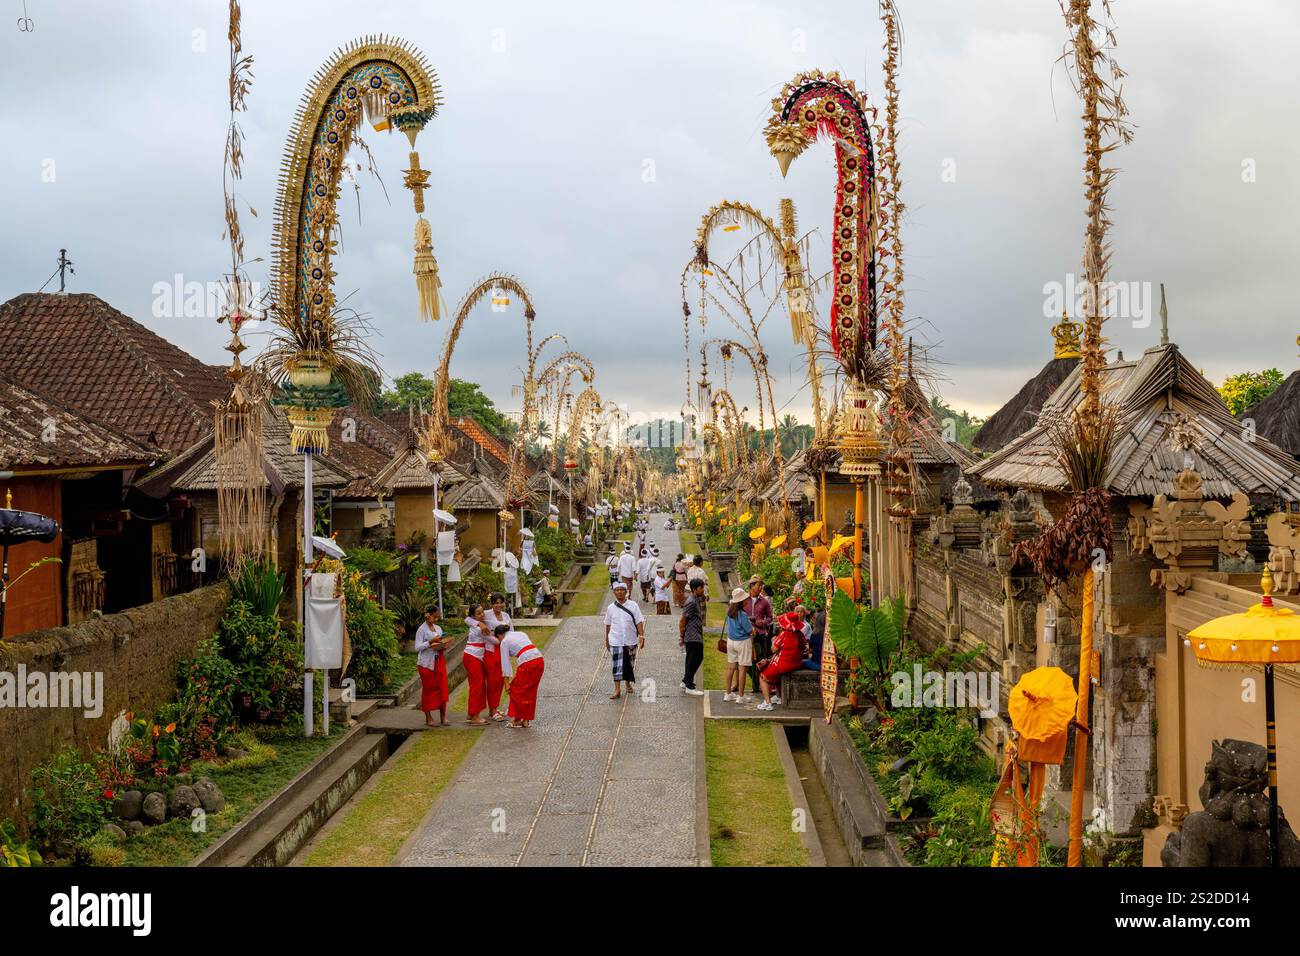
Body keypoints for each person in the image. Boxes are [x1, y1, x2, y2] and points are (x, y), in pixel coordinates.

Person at [757, 610, 810, 711]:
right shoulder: (800, 634)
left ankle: (768, 703)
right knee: (777, 673)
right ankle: (778, 696)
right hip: (796, 663)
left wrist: (773, 642)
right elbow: (805, 648)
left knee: (762, 677)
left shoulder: (784, 634)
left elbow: (774, 649)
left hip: (784, 664)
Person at [496, 625, 545, 728]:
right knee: (531, 691)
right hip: (539, 660)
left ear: (500, 635)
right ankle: (526, 721)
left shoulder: (504, 641)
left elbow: (505, 664)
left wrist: (506, 684)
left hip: (528, 663)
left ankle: (517, 720)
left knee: (516, 690)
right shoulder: (521, 633)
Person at [604, 581, 645, 699]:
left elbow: (639, 621)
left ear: (626, 592)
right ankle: (617, 690)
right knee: (616, 666)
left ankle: (627, 683)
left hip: (630, 640)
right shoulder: (610, 608)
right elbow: (607, 625)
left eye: (622, 590)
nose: (619, 592)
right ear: (614, 592)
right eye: (617, 590)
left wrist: (642, 637)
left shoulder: (633, 606)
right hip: (615, 640)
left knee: (629, 664)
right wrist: (606, 639)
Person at [462, 603, 498, 725]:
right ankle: (475, 716)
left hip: (475, 657)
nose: (482, 614)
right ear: (473, 615)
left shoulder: (479, 624)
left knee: (477, 685)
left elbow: (467, 619)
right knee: (477, 685)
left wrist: (479, 622)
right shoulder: (479, 629)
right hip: (473, 657)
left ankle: (471, 713)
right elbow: (494, 641)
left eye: (482, 612)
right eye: (478, 613)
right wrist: (505, 639)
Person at [415, 606, 451, 726]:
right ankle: (428, 717)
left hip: (438, 660)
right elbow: (417, 647)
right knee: (429, 689)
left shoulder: (438, 628)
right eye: (434, 616)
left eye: (437, 617)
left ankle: (443, 715)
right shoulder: (421, 630)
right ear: (427, 615)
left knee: (442, 687)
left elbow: (440, 642)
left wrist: (444, 644)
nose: (435, 619)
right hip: (426, 664)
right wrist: (430, 642)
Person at [482, 593, 512, 721]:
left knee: (501, 679)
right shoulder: (486, 614)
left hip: (503, 650)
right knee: (493, 680)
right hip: (491, 651)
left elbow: (511, 632)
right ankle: (492, 709)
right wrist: (497, 641)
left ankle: (495, 707)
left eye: (501, 602)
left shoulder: (506, 616)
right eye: (496, 603)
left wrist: (507, 644)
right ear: (491, 604)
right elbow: (482, 632)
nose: (498, 605)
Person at [723, 587, 754, 703]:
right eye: (745, 599)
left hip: (731, 641)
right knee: (742, 669)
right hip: (743, 642)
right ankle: (741, 696)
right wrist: (753, 630)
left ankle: (728, 693)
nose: (747, 601)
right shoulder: (742, 614)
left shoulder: (729, 611)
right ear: (741, 601)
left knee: (730, 667)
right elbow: (749, 630)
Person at [743, 576, 773, 688]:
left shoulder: (764, 602)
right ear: (751, 586)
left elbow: (770, 617)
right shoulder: (744, 599)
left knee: (760, 659)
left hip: (760, 634)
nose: (761, 588)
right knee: (747, 660)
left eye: (761, 586)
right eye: (758, 585)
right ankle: (753, 678)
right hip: (746, 634)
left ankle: (757, 684)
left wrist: (764, 622)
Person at [678, 577, 706, 695]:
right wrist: (682, 635)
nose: (702, 590)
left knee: (696, 658)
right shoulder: (691, 602)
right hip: (692, 635)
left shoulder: (696, 599)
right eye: (701, 588)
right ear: (695, 589)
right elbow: (683, 620)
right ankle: (689, 685)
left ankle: (686, 680)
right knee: (693, 658)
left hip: (696, 634)